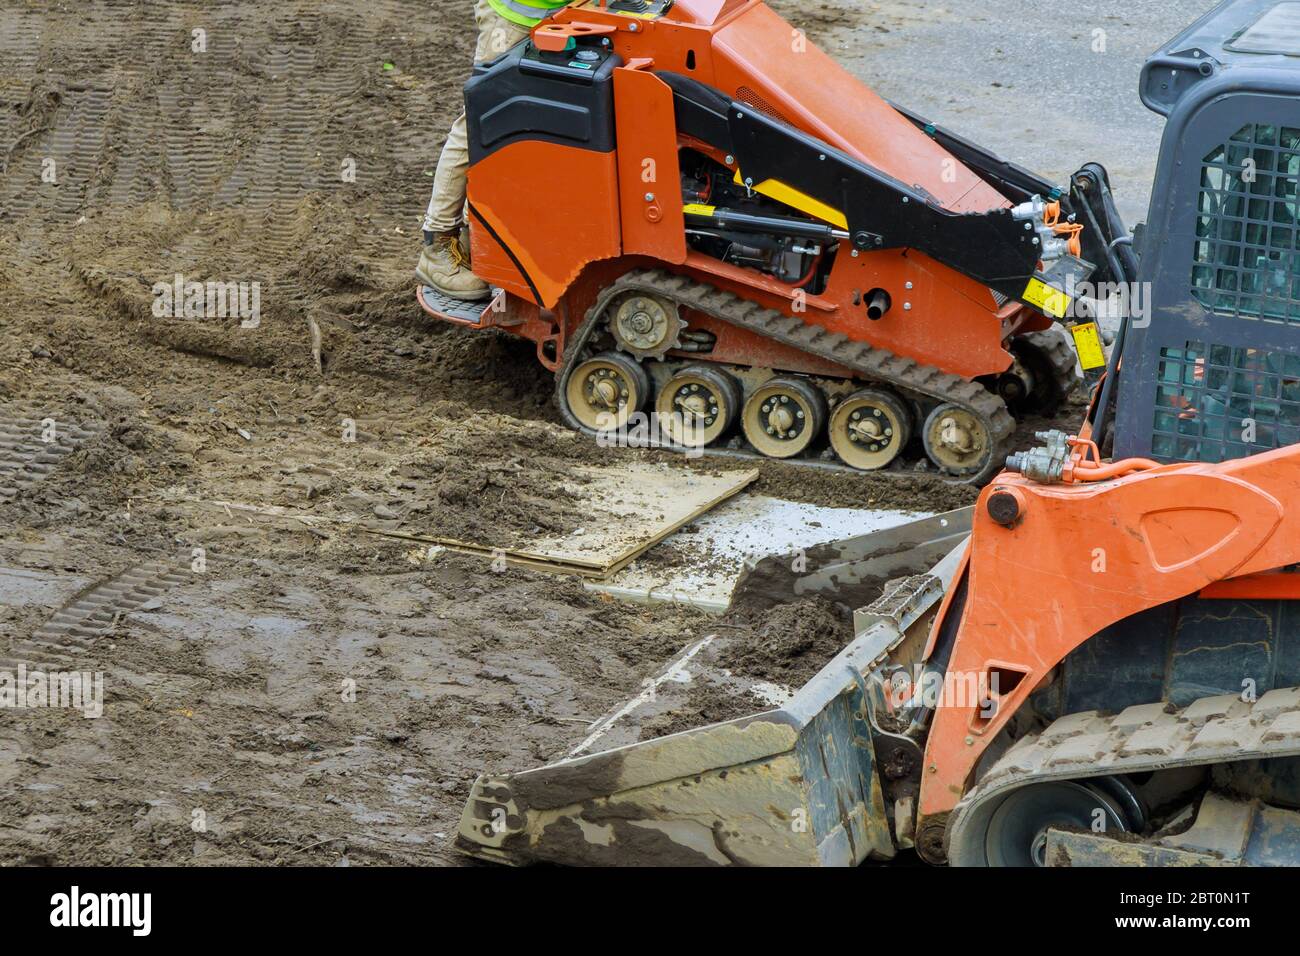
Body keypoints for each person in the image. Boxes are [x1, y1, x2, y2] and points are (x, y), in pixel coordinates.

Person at [417, 0, 577, 300]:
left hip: (566, 16)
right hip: (515, 18)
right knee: (481, 120)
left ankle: (474, 239)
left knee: (529, 126)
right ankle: (438, 243)